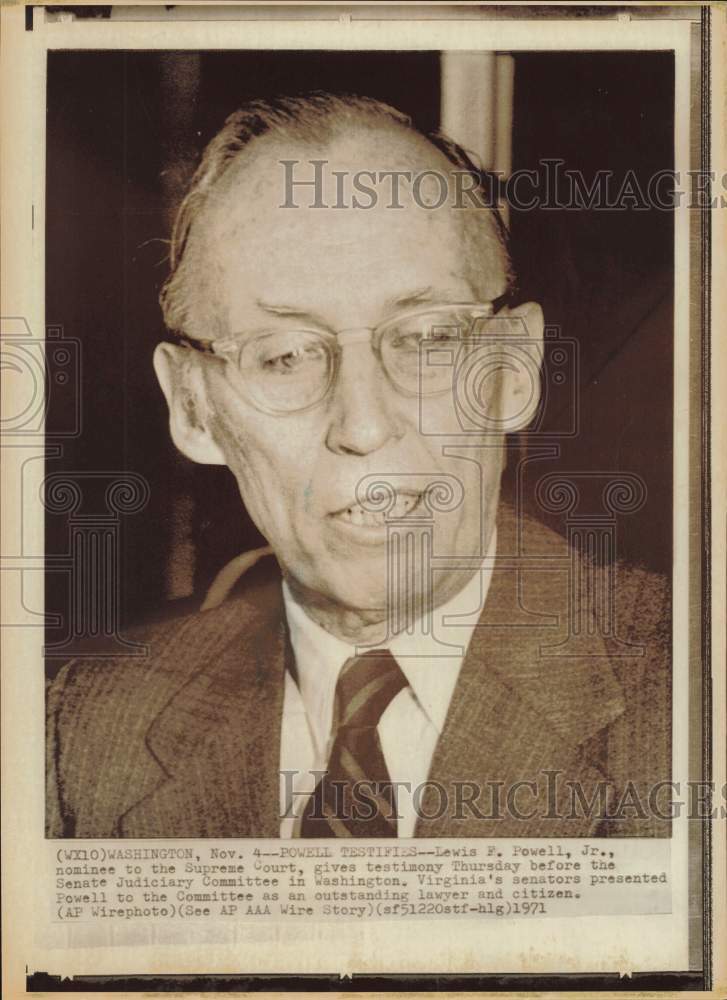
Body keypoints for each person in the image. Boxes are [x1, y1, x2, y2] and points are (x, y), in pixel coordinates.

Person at [46, 93, 670, 839]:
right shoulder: (80, 734)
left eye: (426, 339)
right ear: (193, 406)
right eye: (283, 355)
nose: (365, 425)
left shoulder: (691, 692)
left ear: (511, 369)